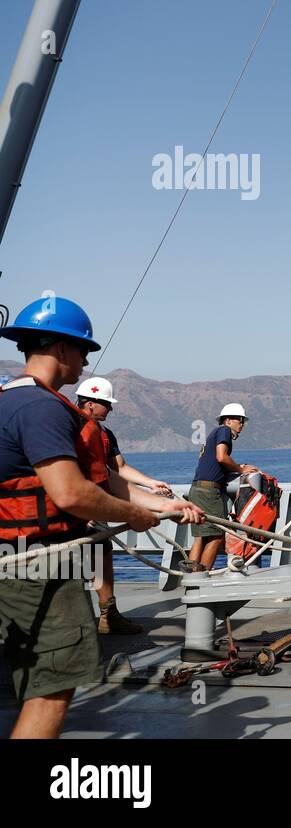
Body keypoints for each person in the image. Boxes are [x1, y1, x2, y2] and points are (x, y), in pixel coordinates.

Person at [0, 296, 203, 738]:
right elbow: (70, 493)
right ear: (61, 349)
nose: (86, 361)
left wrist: (163, 505)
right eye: (83, 351)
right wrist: (132, 515)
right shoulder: (43, 408)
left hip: (16, 558)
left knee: (34, 675)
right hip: (39, 567)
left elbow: (102, 479)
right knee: (54, 684)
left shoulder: (10, 401)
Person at [74, 377, 173, 635]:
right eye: (106, 403)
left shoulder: (105, 434)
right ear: (90, 403)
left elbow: (118, 469)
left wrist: (150, 483)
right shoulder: (68, 428)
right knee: (69, 562)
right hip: (74, 507)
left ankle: (108, 614)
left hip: (94, 506)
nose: (111, 409)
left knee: (101, 554)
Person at [185, 403, 258, 573]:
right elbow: (221, 457)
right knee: (217, 536)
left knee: (200, 537)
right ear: (229, 420)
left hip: (197, 489)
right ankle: (202, 575)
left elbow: (217, 462)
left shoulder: (213, 435)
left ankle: (191, 577)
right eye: (240, 420)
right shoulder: (223, 431)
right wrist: (241, 470)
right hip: (210, 492)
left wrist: (237, 466)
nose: (242, 424)